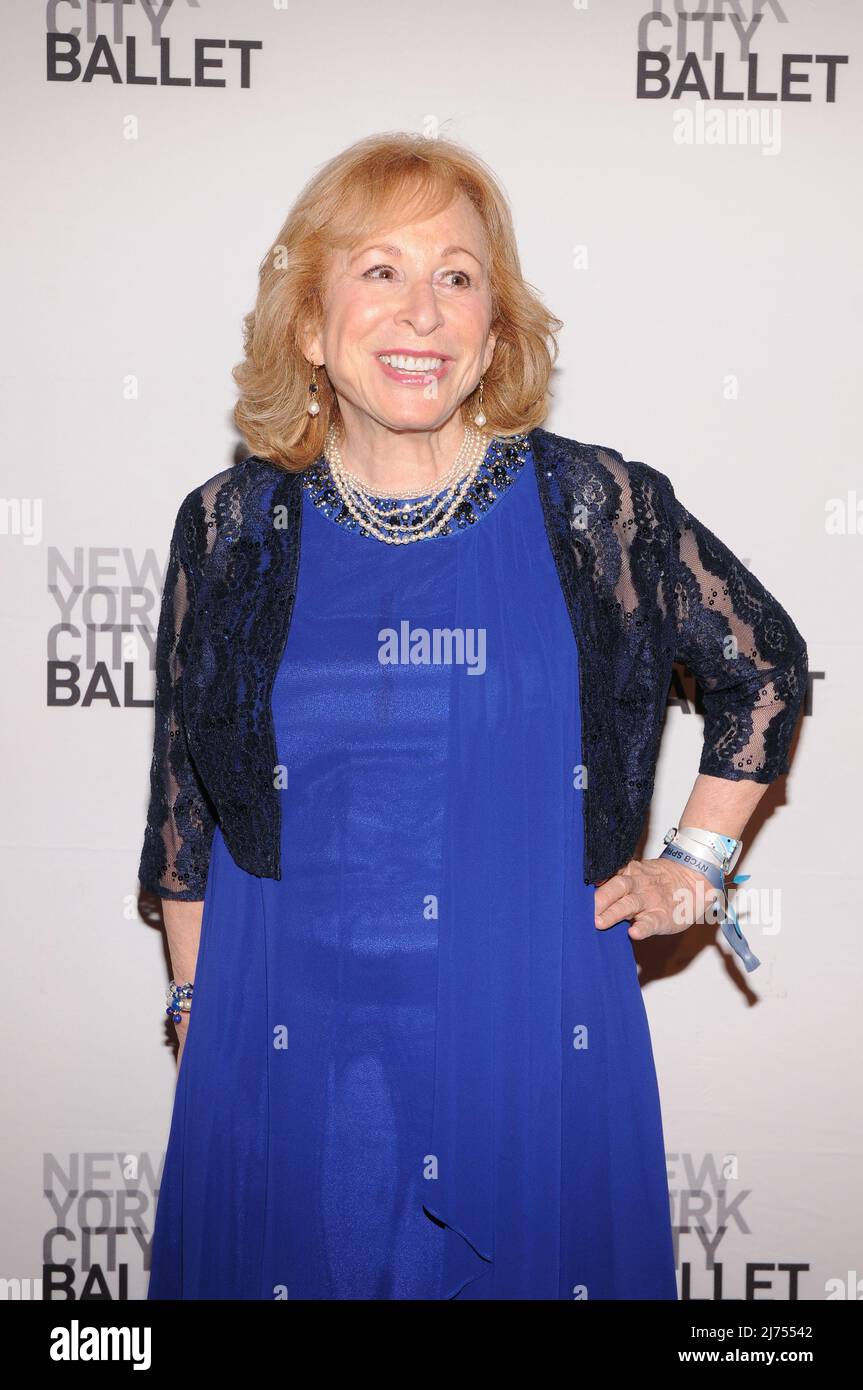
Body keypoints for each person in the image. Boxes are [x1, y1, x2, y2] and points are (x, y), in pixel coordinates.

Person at [139, 132, 808, 1301]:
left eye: (457, 275)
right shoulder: (230, 526)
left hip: (532, 1030)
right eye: (379, 270)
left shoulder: (592, 507)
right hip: (291, 1040)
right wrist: (199, 1006)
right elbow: (187, 807)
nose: (422, 310)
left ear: (492, 329)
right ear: (308, 323)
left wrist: (692, 865)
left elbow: (765, 666)